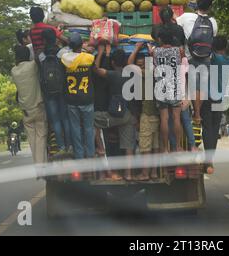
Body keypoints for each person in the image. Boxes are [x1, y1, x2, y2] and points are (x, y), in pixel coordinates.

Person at [94, 46, 137, 181]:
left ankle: (101, 149)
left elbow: (95, 70)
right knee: (129, 146)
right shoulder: (131, 74)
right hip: (129, 115)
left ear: (112, 63)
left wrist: (101, 53)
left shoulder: (112, 74)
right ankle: (128, 174)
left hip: (114, 115)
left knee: (92, 119)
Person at [176, 0, 218, 125]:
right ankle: (197, 114)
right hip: (205, 57)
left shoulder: (186, 17)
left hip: (189, 57)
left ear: (196, 4)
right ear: (210, 7)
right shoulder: (213, 22)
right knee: (201, 87)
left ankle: (192, 110)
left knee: (191, 85)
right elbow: (213, 38)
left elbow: (175, 23)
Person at [201, 36, 229, 174]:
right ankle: (210, 160)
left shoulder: (212, 58)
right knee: (214, 129)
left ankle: (208, 160)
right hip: (220, 98)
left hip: (207, 97)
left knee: (207, 128)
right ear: (225, 48)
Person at [11, 45, 48, 168]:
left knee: (32, 139)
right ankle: (42, 165)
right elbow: (39, 56)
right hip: (38, 108)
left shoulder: (14, 71)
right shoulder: (33, 66)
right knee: (41, 136)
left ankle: (38, 165)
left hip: (26, 112)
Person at [148, 29, 184, 153]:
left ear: (160, 40)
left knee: (164, 118)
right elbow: (183, 58)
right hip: (175, 87)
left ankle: (165, 148)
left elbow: (150, 56)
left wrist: (150, 49)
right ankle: (178, 146)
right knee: (176, 118)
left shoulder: (156, 51)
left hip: (161, 87)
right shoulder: (178, 50)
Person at [128, 43, 160, 180]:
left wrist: (136, 48)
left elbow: (129, 64)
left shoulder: (144, 74)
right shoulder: (156, 72)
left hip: (147, 115)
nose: (139, 67)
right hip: (158, 115)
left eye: (141, 65)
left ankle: (145, 173)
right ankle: (153, 172)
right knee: (155, 146)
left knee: (146, 147)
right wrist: (151, 52)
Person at [61, 32, 95, 160]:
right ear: (81, 45)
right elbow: (93, 64)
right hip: (87, 99)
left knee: (75, 129)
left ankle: (79, 156)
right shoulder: (88, 58)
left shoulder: (64, 59)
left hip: (72, 100)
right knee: (88, 129)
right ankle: (90, 155)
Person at [39, 29, 72, 155]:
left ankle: (61, 147)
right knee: (65, 118)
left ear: (44, 40)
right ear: (55, 39)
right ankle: (70, 145)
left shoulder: (41, 56)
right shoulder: (62, 53)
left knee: (56, 120)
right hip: (62, 89)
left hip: (48, 92)